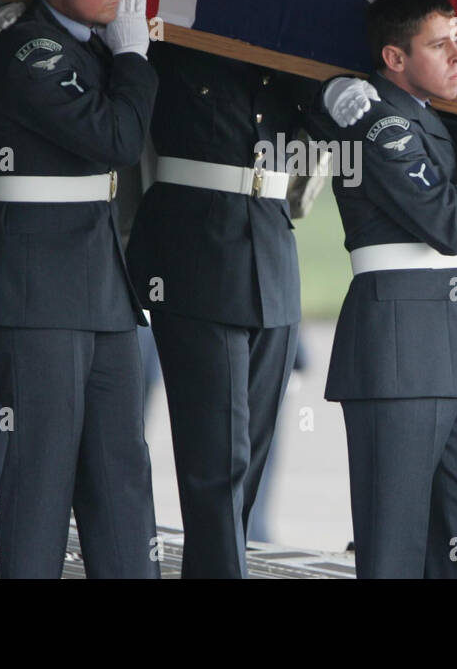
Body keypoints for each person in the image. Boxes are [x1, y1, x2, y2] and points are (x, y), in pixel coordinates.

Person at [0, 0, 160, 578]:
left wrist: (118, 50)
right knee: (44, 468)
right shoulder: (30, 49)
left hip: (98, 286)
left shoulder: (85, 46)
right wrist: (133, 55)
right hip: (37, 289)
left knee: (121, 469)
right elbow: (116, 139)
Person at [315, 0, 457, 579]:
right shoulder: (383, 127)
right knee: (394, 541)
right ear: (395, 59)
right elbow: (451, 225)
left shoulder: (431, 119)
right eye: (441, 45)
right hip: (401, 347)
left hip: (455, 344)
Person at [125, 42, 318, 578]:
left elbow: (323, 140)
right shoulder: (180, 38)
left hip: (271, 256)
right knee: (217, 464)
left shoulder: (290, 53)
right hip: (195, 255)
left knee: (246, 466)